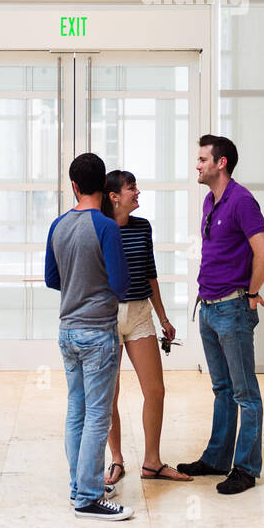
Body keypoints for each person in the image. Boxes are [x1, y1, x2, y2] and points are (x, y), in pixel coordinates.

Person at [177, 135, 264, 494]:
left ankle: (246, 468)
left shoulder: (242, 201)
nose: (197, 165)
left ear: (221, 163)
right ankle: (217, 458)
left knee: (245, 392)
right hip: (209, 307)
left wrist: (250, 293)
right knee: (222, 389)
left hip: (233, 308)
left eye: (203, 159)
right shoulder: (209, 201)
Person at [45, 152, 134, 521]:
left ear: (75, 186)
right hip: (98, 334)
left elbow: (52, 279)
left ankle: (78, 486)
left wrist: (78, 280)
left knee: (76, 410)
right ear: (104, 187)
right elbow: (121, 284)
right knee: (98, 415)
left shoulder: (58, 225)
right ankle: (89, 498)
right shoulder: (106, 227)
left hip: (67, 332)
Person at [102, 170, 192, 486]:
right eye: (131, 188)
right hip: (107, 316)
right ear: (114, 196)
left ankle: (152, 463)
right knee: (108, 394)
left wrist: (164, 318)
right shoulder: (100, 228)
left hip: (140, 312)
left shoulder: (142, 227)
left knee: (155, 390)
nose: (137, 192)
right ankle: (116, 460)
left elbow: (150, 273)